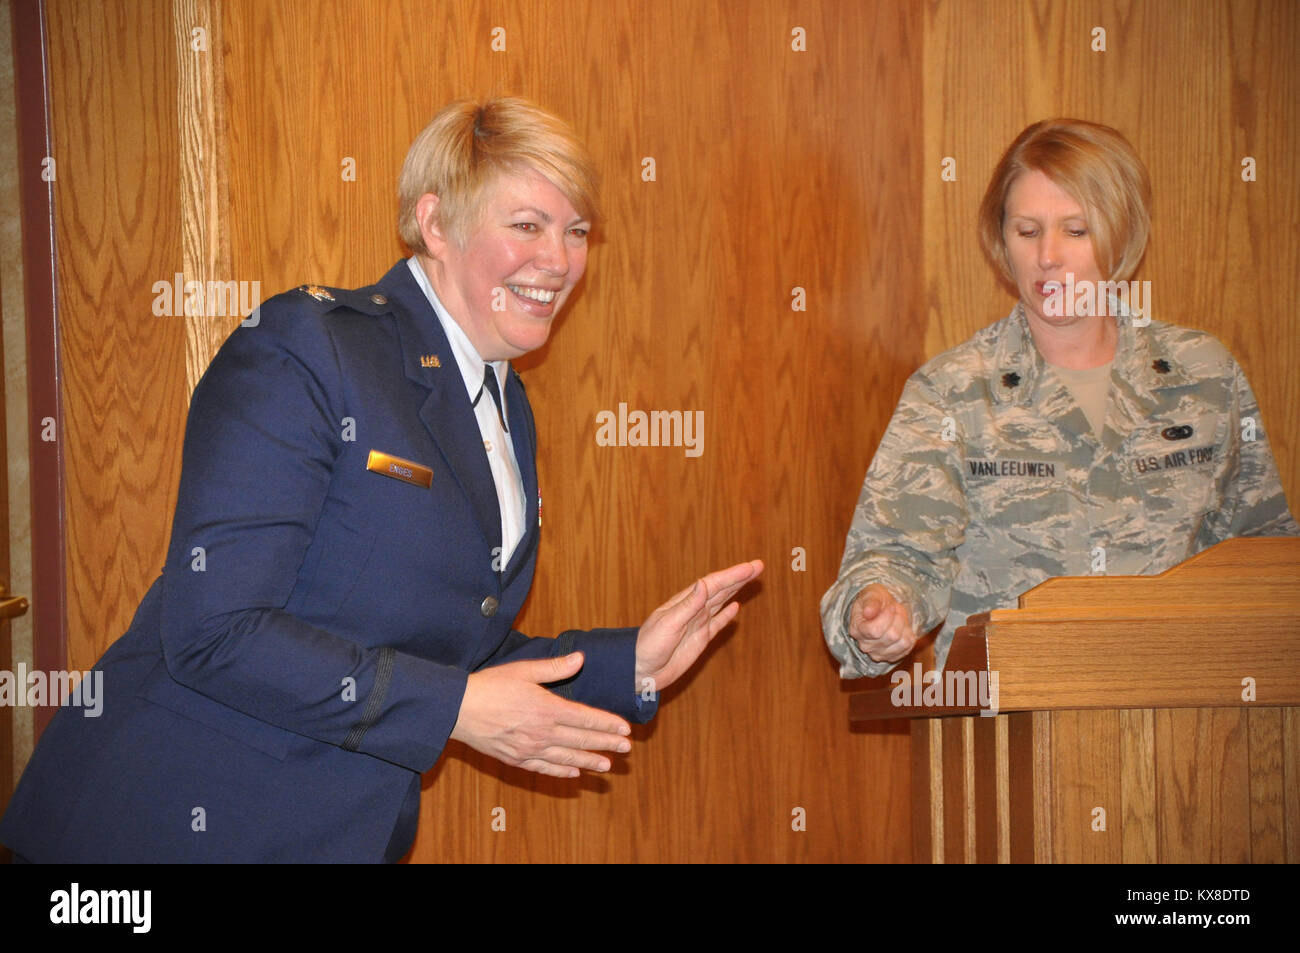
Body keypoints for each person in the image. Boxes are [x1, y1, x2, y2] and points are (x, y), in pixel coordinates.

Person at [1, 97, 762, 862]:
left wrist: (624, 661)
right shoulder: (309, 346)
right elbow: (215, 630)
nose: (559, 261)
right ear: (436, 224)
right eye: (526, 225)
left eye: (575, 232)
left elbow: (448, 648)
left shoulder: (505, 401)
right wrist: (454, 707)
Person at [821, 118, 1297, 678]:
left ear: (1122, 235)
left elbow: (1265, 556)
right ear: (1002, 241)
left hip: (1185, 724)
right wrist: (877, 610)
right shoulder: (952, 391)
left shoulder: (1203, 374)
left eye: (1076, 230)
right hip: (1009, 734)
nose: (1049, 255)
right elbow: (894, 557)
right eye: (1027, 231)